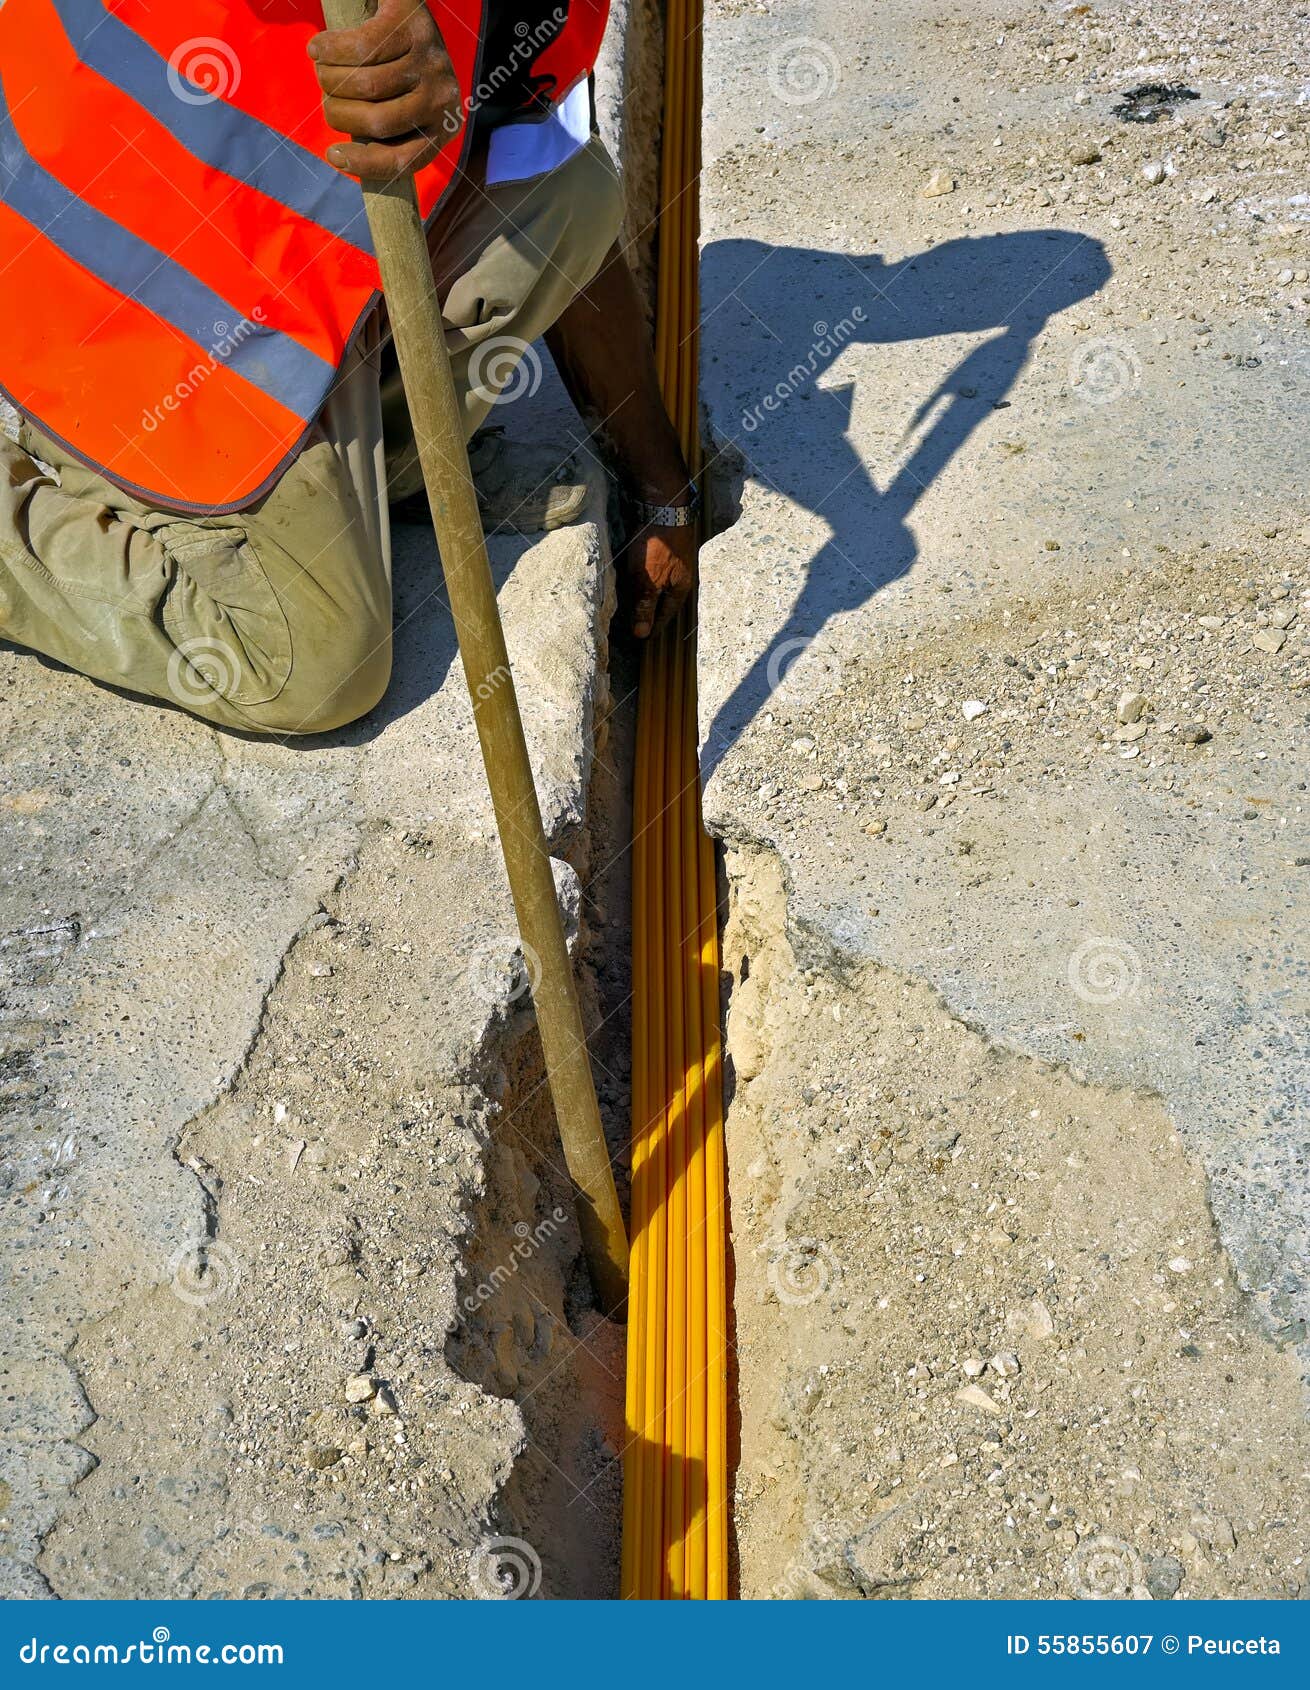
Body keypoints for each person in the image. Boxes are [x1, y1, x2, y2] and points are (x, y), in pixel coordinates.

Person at [0, 0, 696, 736]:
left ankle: (386, 473)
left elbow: (549, 149)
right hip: (133, 297)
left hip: (297, 263)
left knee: (573, 193)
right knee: (314, 666)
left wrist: (662, 489)